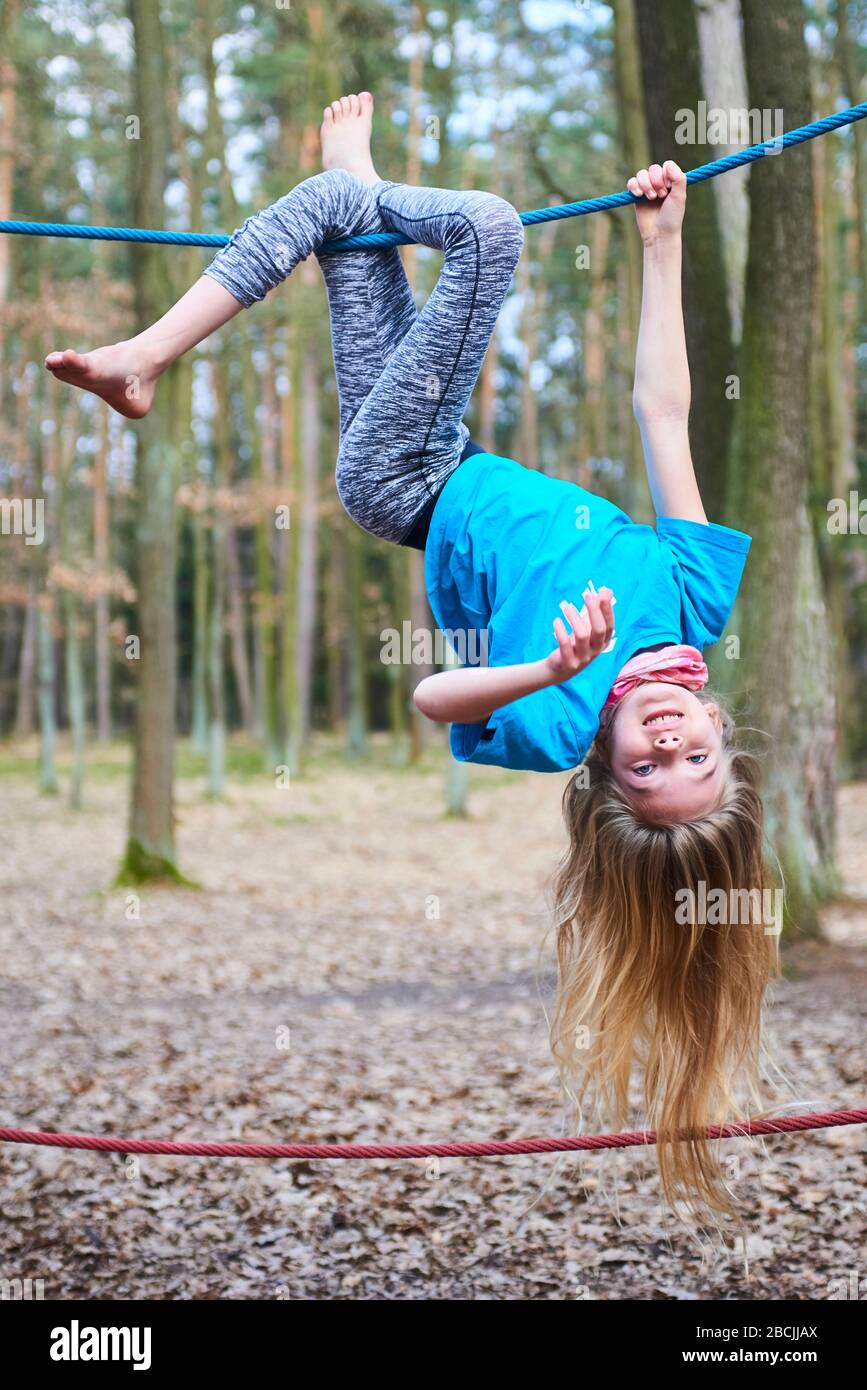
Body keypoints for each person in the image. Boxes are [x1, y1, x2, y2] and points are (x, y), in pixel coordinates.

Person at [46, 92, 775, 1218]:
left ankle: (143, 358)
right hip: (438, 443)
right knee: (346, 215)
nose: (670, 750)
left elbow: (435, 696)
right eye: (696, 768)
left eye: (649, 774)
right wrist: (663, 245)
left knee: (488, 227)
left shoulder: (556, 719)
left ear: (610, 771)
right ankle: (350, 174)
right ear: (724, 738)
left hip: (404, 481)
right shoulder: (694, 600)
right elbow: (664, 413)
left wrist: (543, 668)